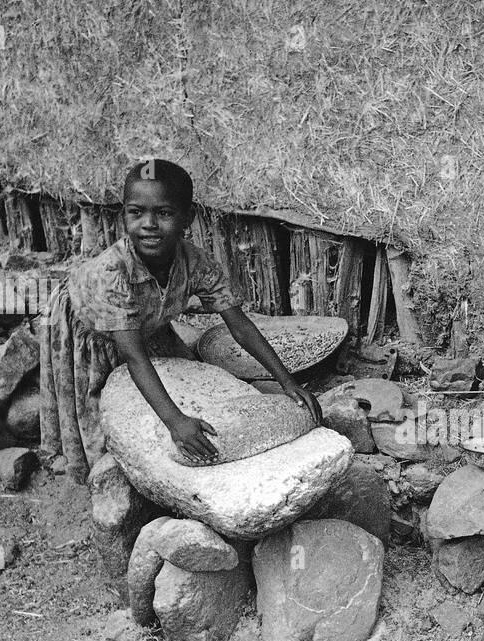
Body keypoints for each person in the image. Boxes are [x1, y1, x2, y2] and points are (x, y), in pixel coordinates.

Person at [39, 159, 322, 483]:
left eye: (164, 213)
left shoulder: (196, 263)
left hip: (147, 320)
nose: (148, 224)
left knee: (185, 375)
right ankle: (91, 472)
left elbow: (240, 326)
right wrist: (175, 421)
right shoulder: (113, 274)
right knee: (93, 404)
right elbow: (133, 354)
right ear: (124, 216)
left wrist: (287, 382)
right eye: (136, 212)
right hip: (88, 325)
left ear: (187, 218)